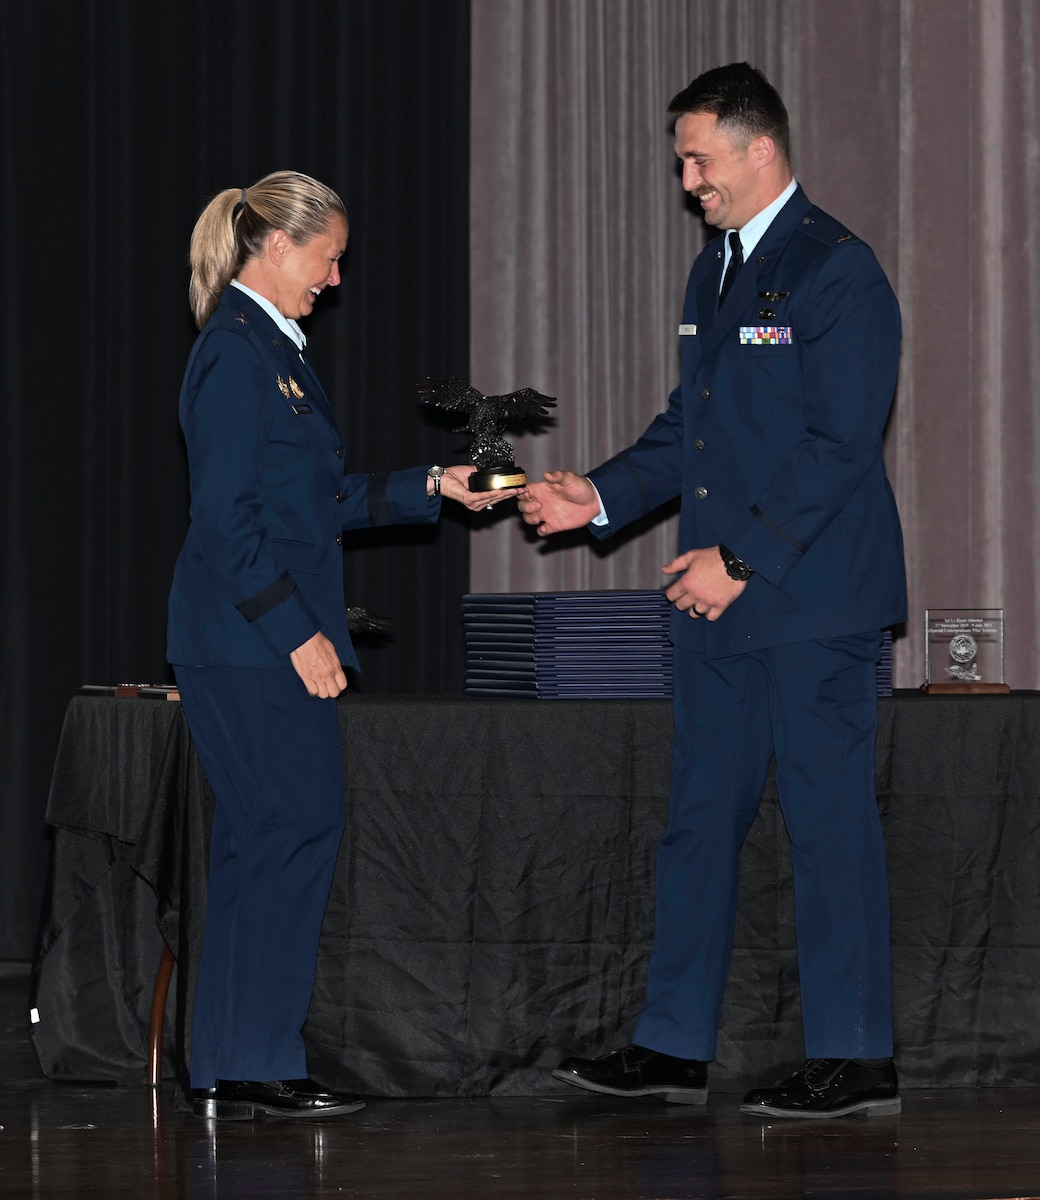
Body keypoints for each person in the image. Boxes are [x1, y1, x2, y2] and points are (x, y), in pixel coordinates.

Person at [518, 63, 906, 1119]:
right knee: (696, 818)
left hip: (806, 600)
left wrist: (739, 560)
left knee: (827, 824)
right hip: (714, 598)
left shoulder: (837, 271)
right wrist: (592, 497)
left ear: (759, 150)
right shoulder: (715, 273)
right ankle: (672, 1042)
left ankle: (854, 1052)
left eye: (699, 159)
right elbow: (685, 437)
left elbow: (838, 445)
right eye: (683, 162)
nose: (687, 180)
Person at [167, 170, 513, 1121]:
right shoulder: (236, 354)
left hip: (244, 639)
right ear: (276, 245)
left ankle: (233, 1063)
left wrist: (432, 485)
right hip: (248, 641)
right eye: (329, 258)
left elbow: (309, 504)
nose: (335, 277)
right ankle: (258, 1061)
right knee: (293, 830)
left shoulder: (268, 351)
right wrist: (299, 635)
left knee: (262, 842)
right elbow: (226, 521)